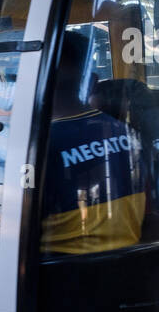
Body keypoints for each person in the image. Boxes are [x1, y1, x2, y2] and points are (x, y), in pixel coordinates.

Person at [41, 31, 146, 256]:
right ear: (92, 81)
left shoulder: (42, 144)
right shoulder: (127, 133)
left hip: (63, 274)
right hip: (127, 266)